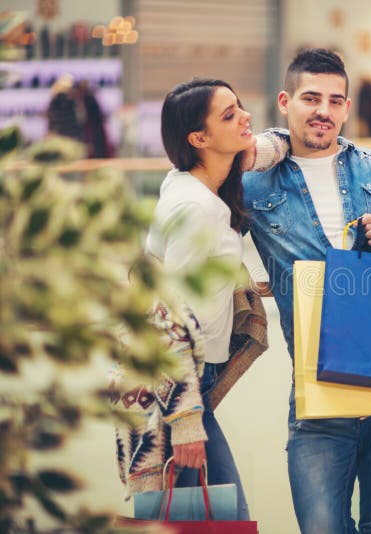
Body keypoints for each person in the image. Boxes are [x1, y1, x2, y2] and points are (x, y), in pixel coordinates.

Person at [243, 49, 371, 534]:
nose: (323, 110)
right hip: (317, 392)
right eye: (311, 98)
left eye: (334, 100)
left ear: (347, 108)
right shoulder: (253, 183)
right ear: (285, 101)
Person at [114, 78, 276, 520]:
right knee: (214, 519)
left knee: (214, 517)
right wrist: (185, 421)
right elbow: (169, 315)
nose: (245, 116)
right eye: (229, 115)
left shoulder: (190, 186)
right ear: (198, 139)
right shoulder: (195, 208)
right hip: (175, 393)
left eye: (239, 106)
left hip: (183, 390)